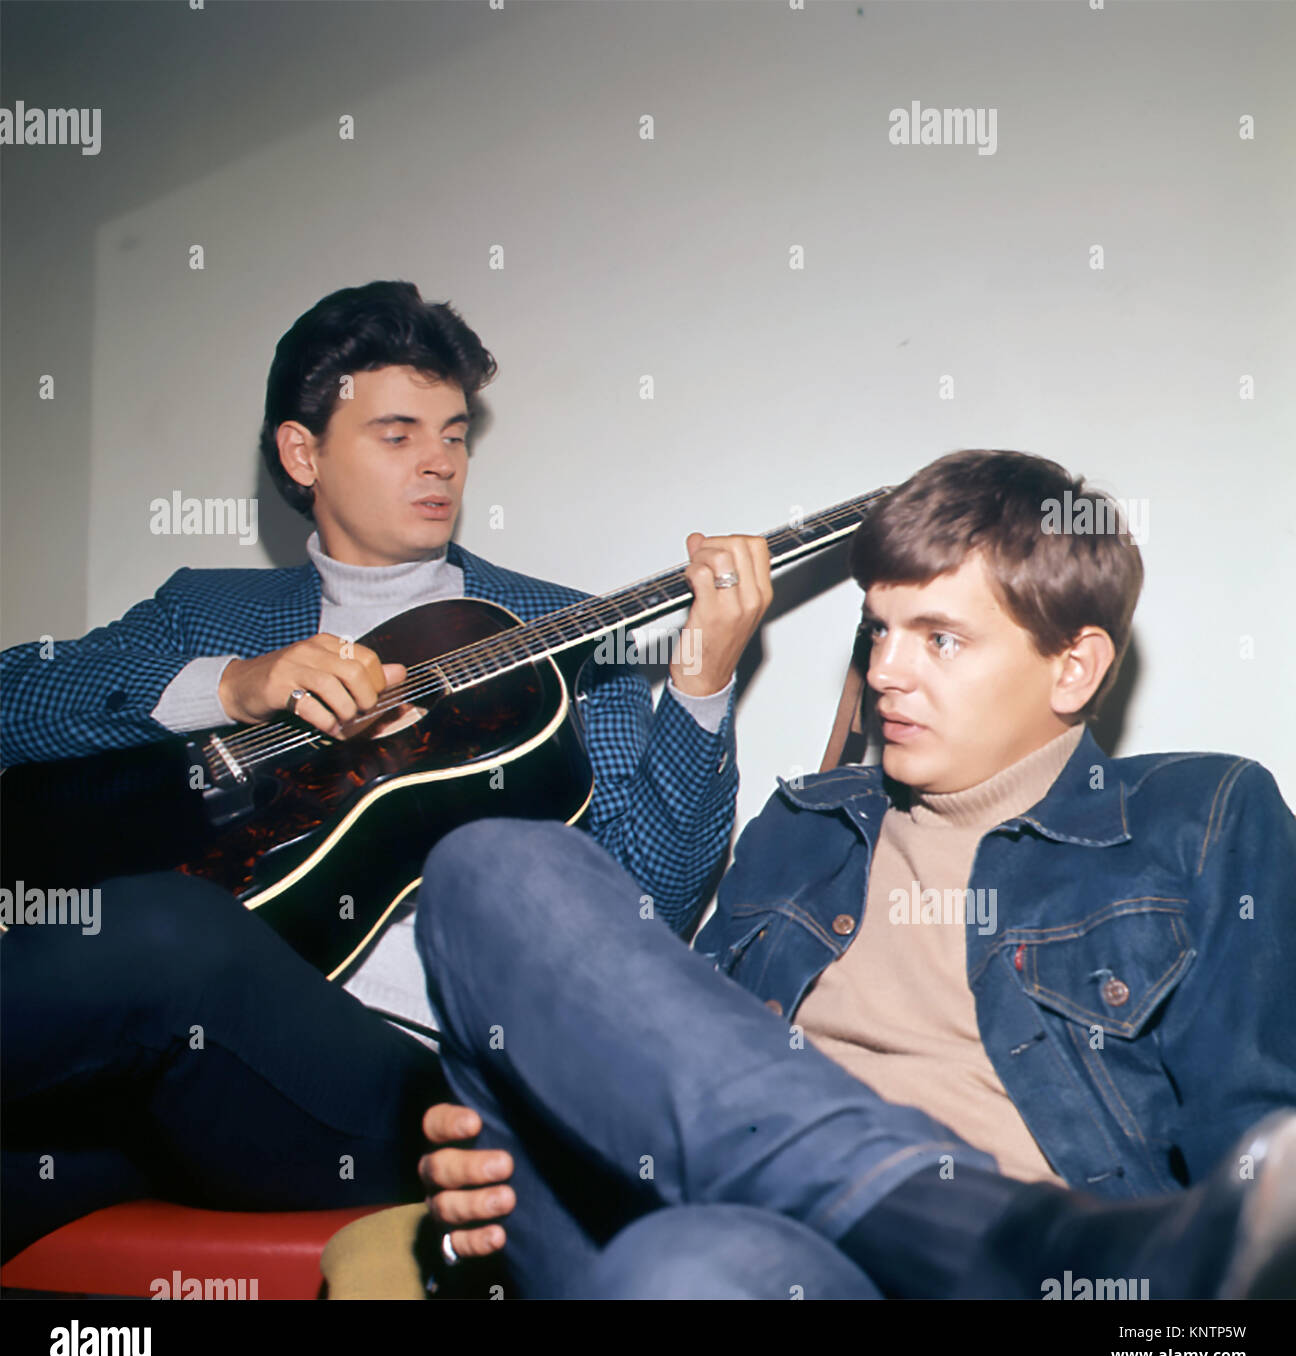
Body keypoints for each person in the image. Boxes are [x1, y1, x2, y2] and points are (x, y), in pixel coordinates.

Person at [0, 281, 772, 1259]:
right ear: (302, 452)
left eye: (453, 434)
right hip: (174, 1081)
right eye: (398, 433)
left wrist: (701, 684)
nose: (440, 463)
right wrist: (234, 687)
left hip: (401, 1095)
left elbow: (650, 902)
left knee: (170, 924)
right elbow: (12, 702)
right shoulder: (209, 614)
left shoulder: (556, 634)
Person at [412, 449, 1296, 1298]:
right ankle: (960, 1230)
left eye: (939, 639)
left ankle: (1006, 1244)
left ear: (1075, 667)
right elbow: (681, 1082)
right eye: (879, 630)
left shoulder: (1199, 816)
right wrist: (488, 1171)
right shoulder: (802, 828)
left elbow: (1259, 1175)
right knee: (489, 862)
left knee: (685, 1271)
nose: (884, 672)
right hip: (733, 1238)